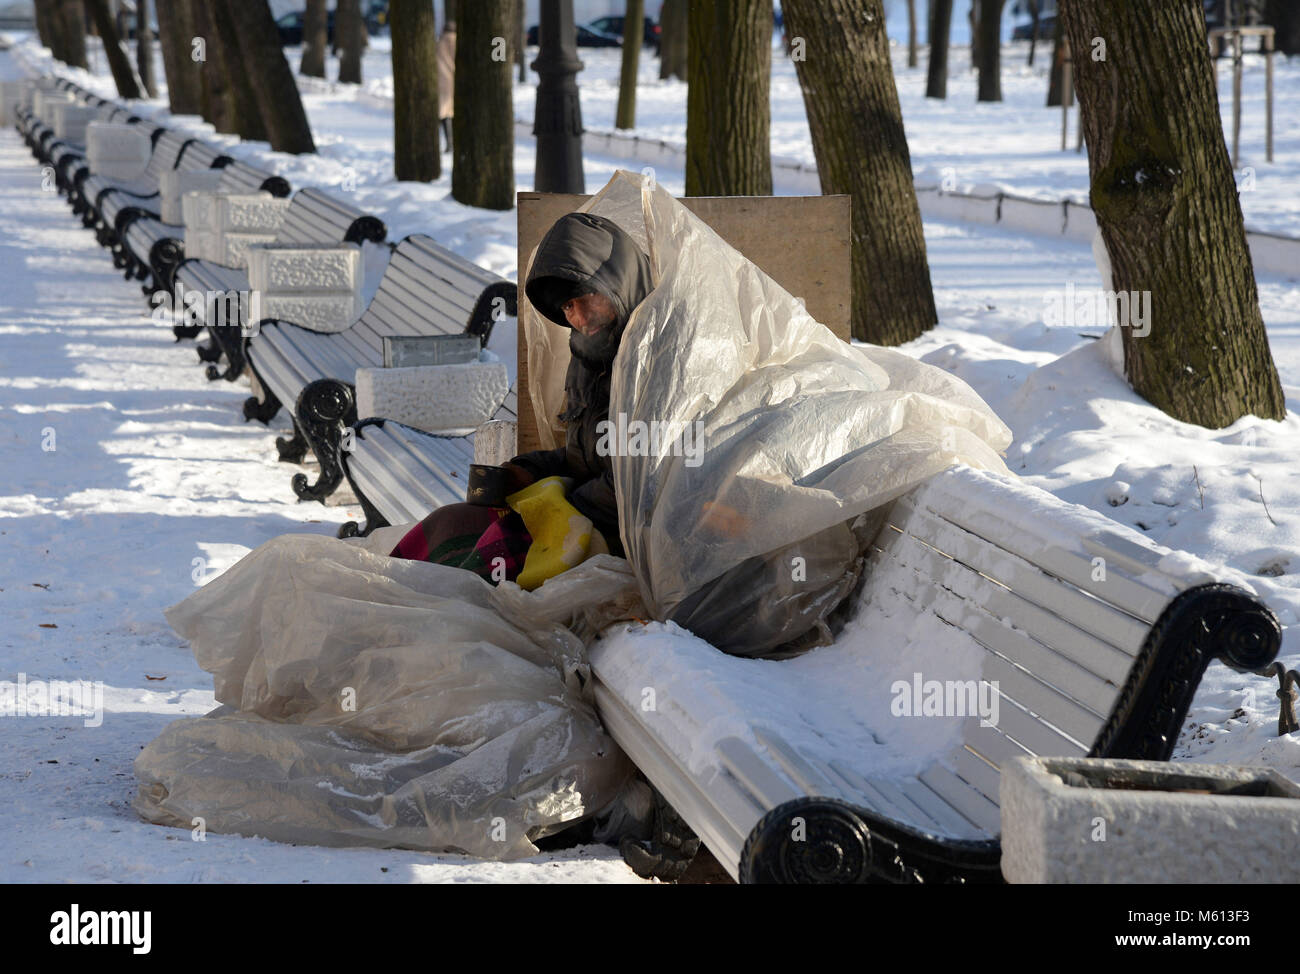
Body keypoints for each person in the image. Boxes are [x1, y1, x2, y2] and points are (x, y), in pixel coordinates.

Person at [388, 211, 654, 586]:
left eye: (582, 298)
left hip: (627, 540)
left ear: (616, 284)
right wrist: (525, 471)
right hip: (581, 516)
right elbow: (587, 458)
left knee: (474, 573)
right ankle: (394, 601)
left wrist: (551, 508)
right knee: (450, 524)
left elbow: (639, 484)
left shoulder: (658, 357)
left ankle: (426, 619)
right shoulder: (590, 355)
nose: (577, 317)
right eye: (566, 308)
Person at [437, 20, 456, 154]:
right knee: (450, 113)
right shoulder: (458, 42)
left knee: (443, 114)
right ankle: (451, 143)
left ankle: (447, 143)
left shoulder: (439, 44)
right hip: (454, 82)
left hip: (441, 82)